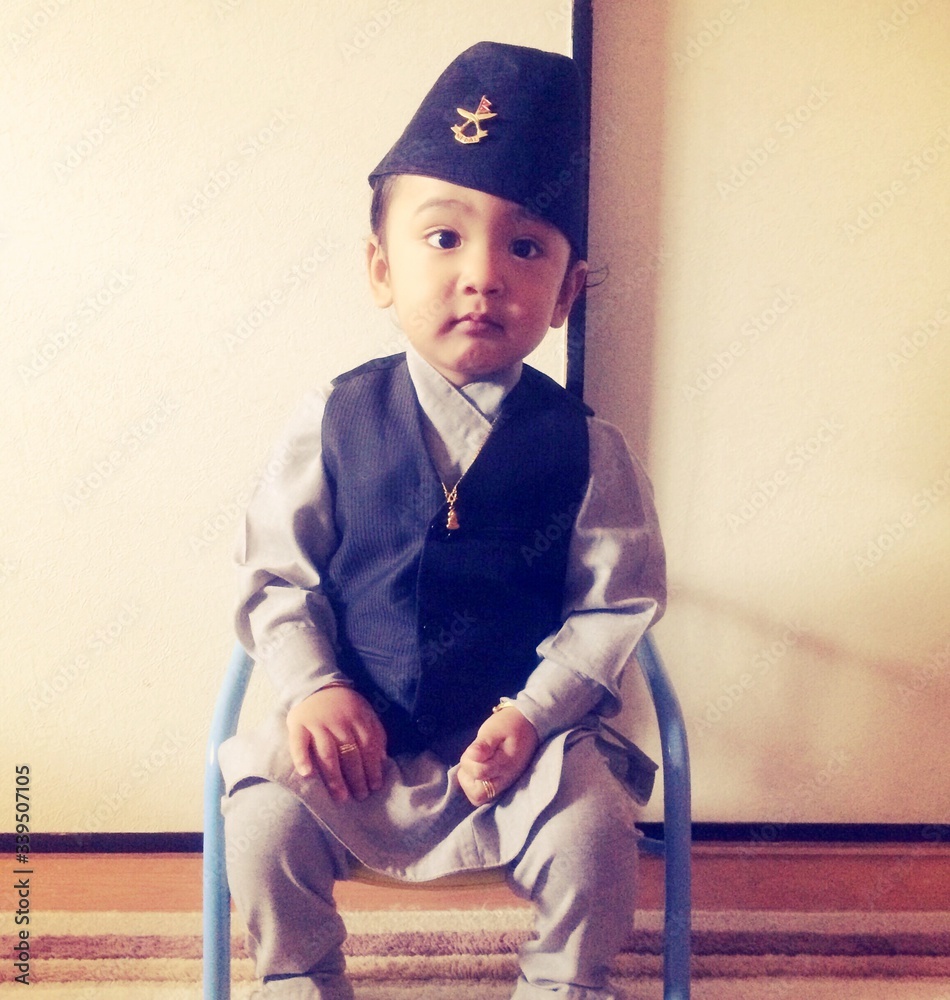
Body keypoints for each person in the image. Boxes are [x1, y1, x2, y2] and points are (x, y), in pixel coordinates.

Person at [219, 41, 666, 1000]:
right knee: (260, 818)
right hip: (358, 736)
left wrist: (534, 714)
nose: (483, 275)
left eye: (526, 247)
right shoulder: (331, 421)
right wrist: (314, 687)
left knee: (596, 835)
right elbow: (278, 577)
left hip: (525, 745)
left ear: (567, 293)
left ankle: (563, 984)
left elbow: (613, 606)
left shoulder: (587, 447)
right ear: (381, 269)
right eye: (444, 238)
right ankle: (299, 976)